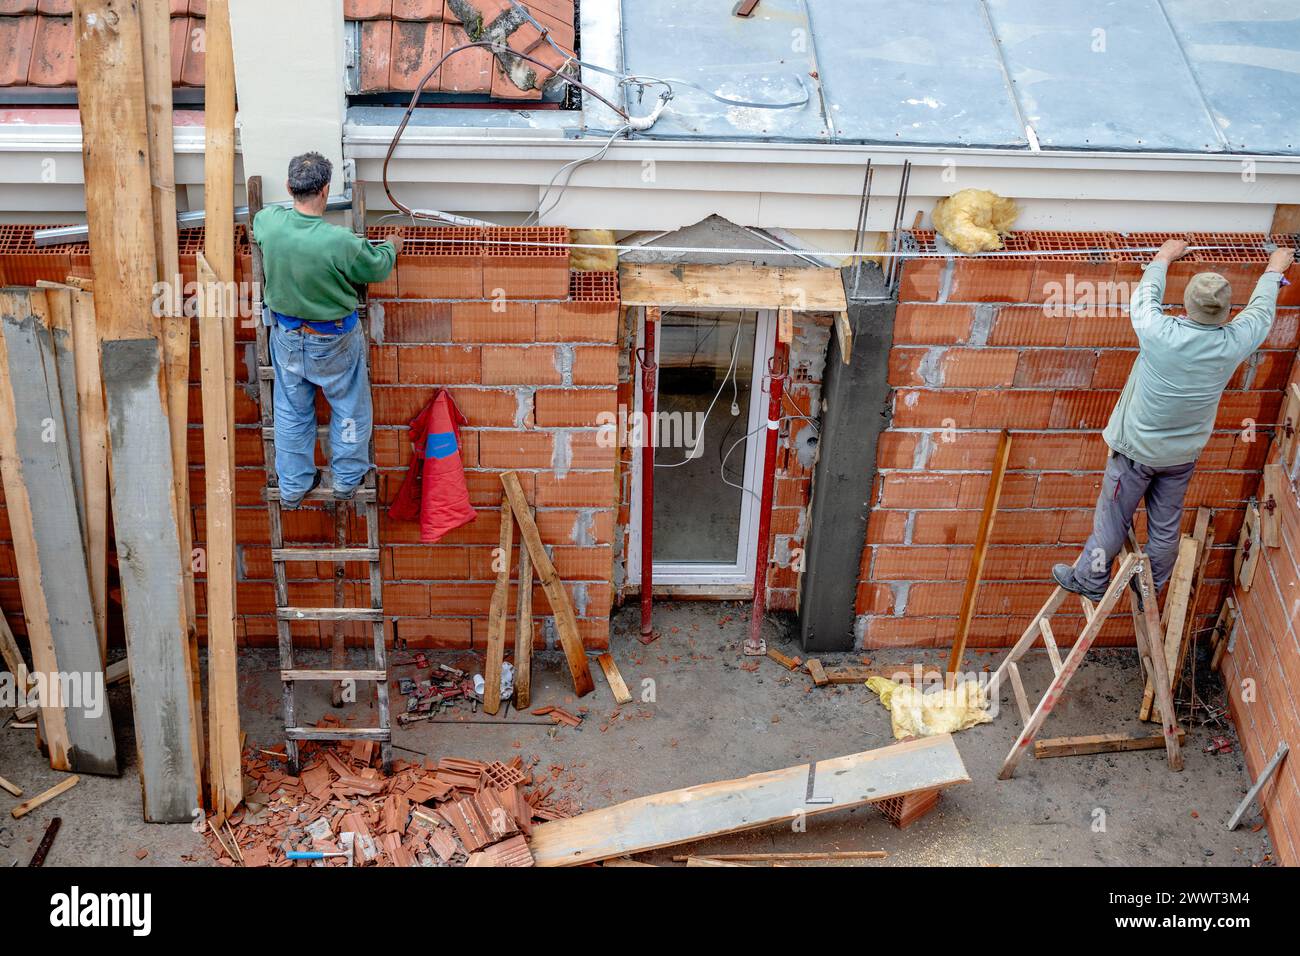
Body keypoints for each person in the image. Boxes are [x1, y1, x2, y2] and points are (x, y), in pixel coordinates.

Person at [1053, 239, 1295, 602]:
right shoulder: (1234, 341)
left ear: (1187, 305)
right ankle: (1150, 585)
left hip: (1135, 451)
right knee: (1165, 527)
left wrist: (1164, 256)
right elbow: (1261, 312)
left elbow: (1146, 296)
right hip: (1180, 456)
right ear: (1227, 311)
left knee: (1113, 519)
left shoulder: (1160, 333)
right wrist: (1275, 269)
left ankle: (1090, 579)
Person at [253, 152, 403, 509]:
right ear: (325, 190)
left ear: (290, 187)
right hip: (333, 340)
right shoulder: (340, 242)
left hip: (287, 337)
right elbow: (376, 267)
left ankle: (292, 486)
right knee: (349, 407)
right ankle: (347, 480)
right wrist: (392, 247)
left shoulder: (268, 222)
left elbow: (265, 220)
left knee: (290, 412)